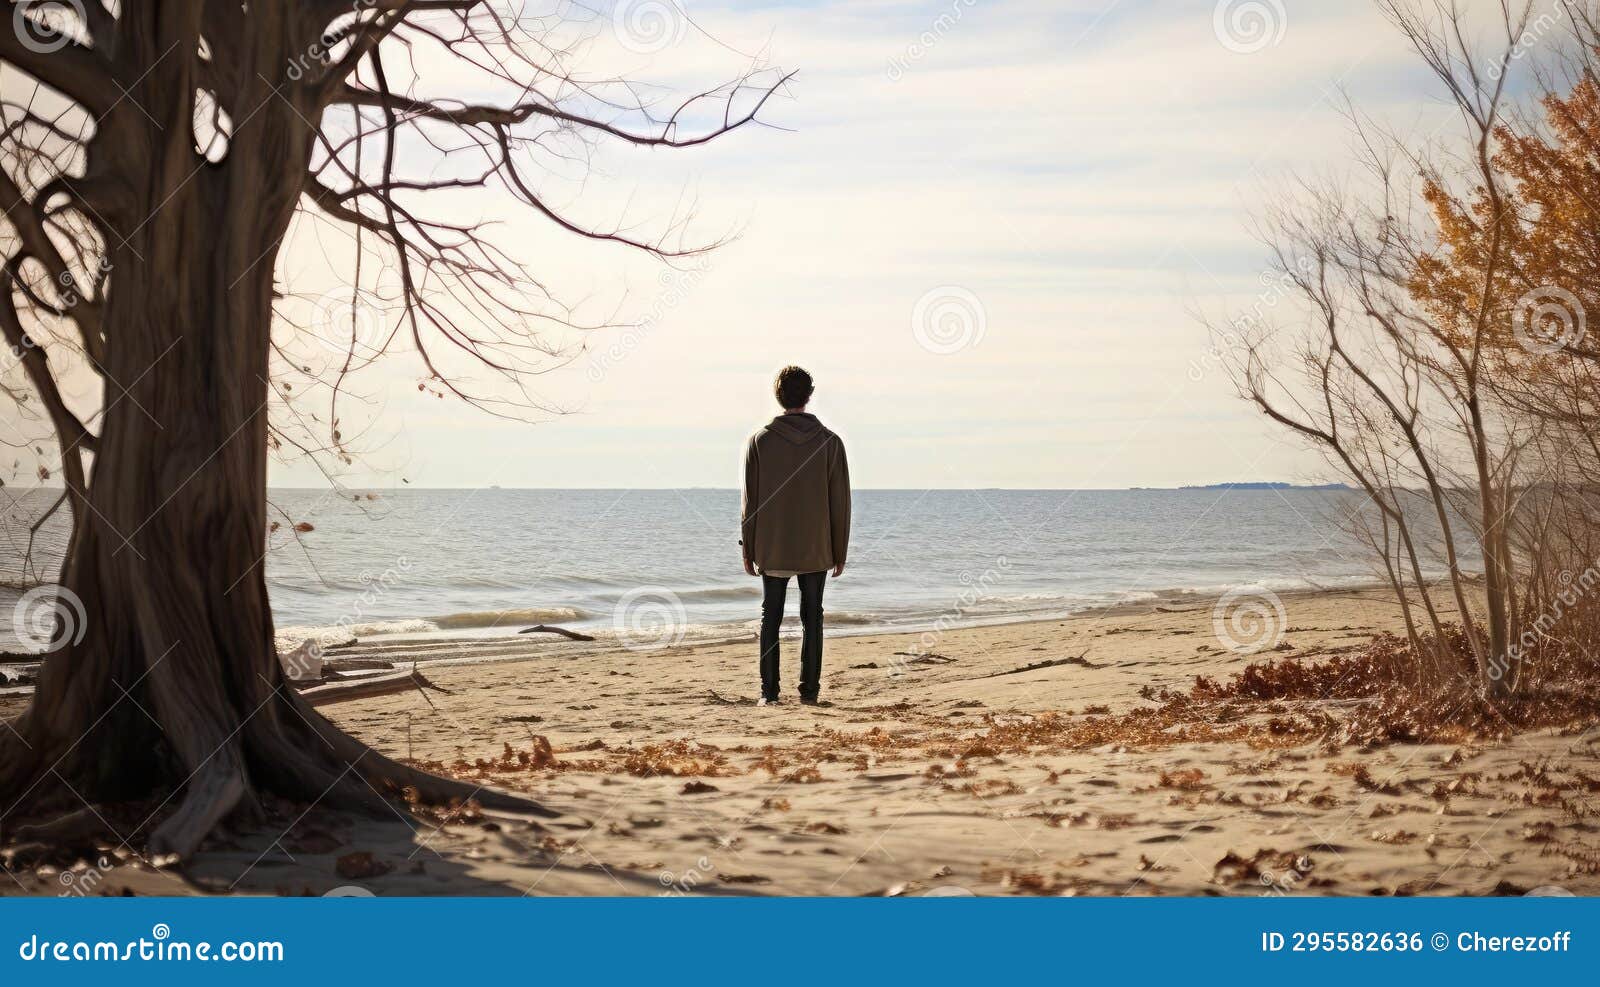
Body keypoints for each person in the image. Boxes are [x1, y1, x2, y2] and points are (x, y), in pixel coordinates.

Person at [739, 366, 851, 706]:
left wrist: (748, 548)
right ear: (809, 396)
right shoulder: (831, 442)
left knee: (770, 617)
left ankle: (768, 693)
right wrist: (840, 551)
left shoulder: (759, 440)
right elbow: (840, 503)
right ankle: (810, 693)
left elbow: (750, 503)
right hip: (816, 547)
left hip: (771, 545)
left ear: (778, 396)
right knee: (812, 617)